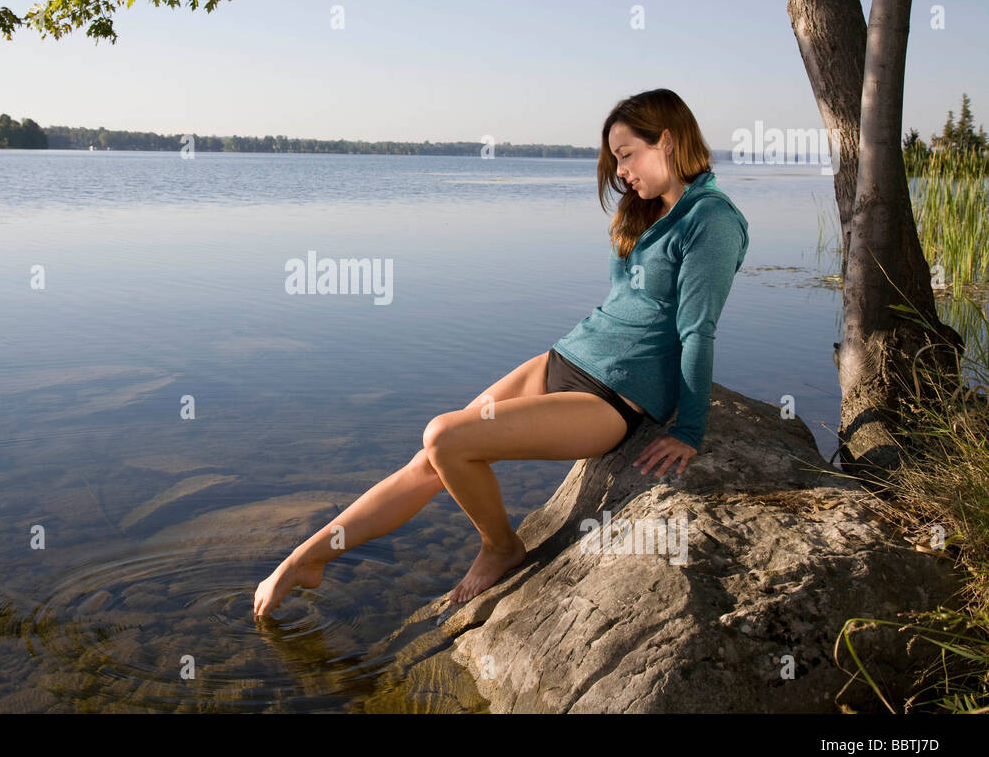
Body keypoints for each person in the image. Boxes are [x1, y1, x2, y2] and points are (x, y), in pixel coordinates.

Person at [252, 88, 750, 619]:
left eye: (626, 154)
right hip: (563, 361)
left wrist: (689, 432)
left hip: (612, 399)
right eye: (615, 158)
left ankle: (501, 546)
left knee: (445, 435)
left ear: (667, 140)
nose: (621, 171)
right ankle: (306, 558)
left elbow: (697, 331)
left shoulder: (711, 221)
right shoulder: (651, 211)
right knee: (434, 459)